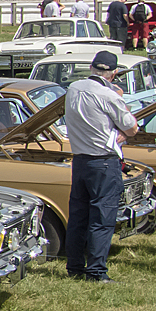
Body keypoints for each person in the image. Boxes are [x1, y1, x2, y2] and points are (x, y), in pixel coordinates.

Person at [61, 50, 138, 283]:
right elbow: (131, 127)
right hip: (104, 161)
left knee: (78, 215)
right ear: (113, 74)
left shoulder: (73, 89)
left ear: (92, 68)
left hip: (81, 159)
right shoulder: (109, 96)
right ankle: (96, 270)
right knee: (102, 217)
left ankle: (74, 265)